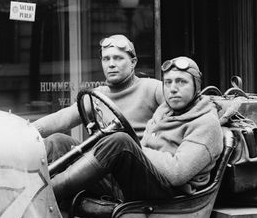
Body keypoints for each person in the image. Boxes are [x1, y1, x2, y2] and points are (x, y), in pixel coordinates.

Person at [49, 56, 223, 205]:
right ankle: (36, 187)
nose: (173, 88)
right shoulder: (163, 112)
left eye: (181, 82)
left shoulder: (207, 123)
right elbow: (143, 149)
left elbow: (177, 173)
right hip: (140, 183)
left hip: (170, 195)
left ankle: (47, 195)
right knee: (60, 142)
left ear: (196, 87)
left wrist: (135, 148)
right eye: (168, 82)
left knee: (120, 141)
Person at [34, 34, 164, 163]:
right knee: (57, 142)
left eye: (118, 58)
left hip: (140, 167)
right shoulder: (97, 95)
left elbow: (180, 115)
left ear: (133, 62)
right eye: (106, 59)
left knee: (118, 139)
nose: (111, 64)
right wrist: (25, 130)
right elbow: (62, 119)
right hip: (106, 168)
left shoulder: (153, 88)